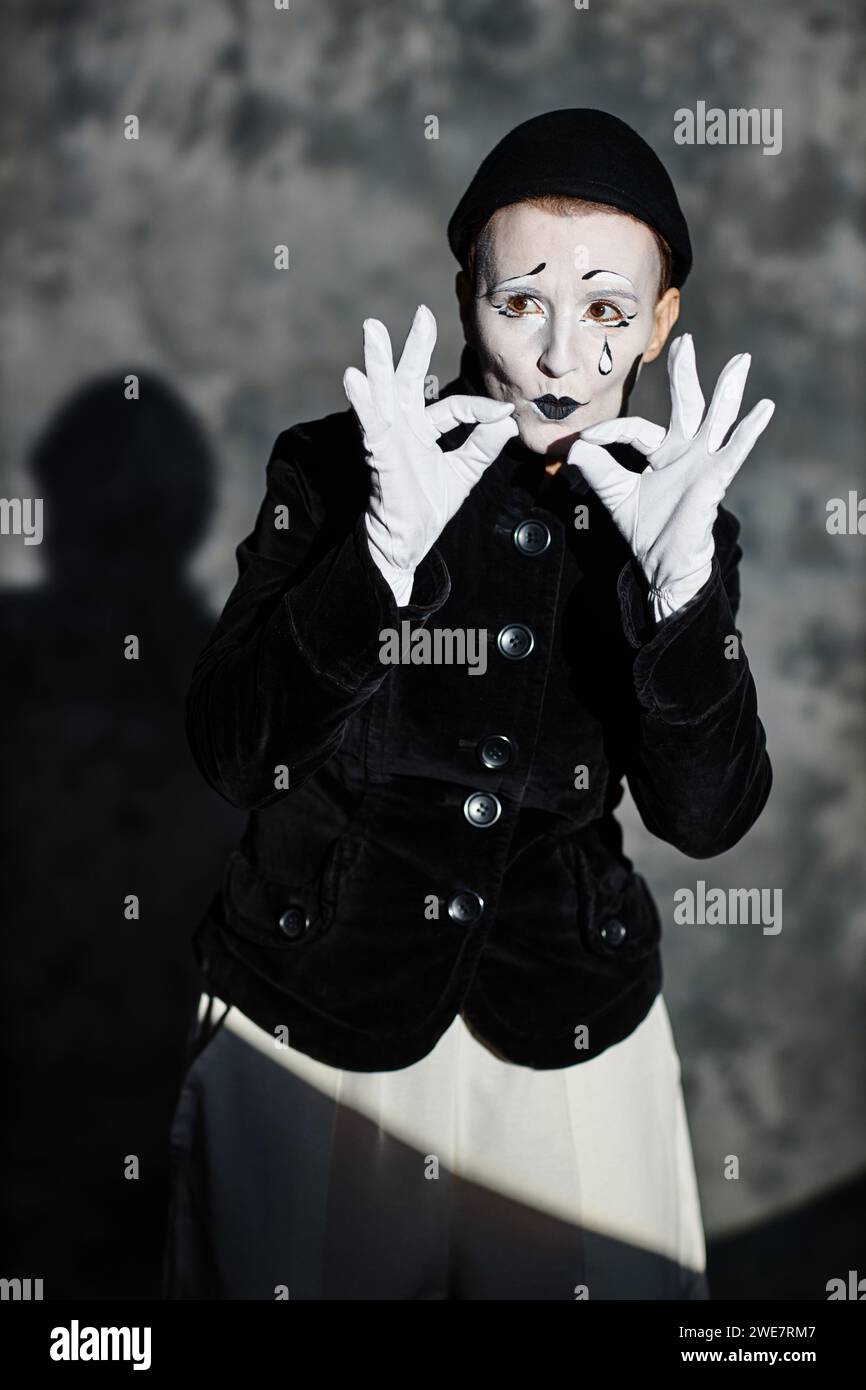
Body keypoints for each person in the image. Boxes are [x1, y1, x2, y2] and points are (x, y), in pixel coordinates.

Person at [163, 108, 774, 1300]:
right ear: (464, 299)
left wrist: (683, 593)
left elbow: (705, 817)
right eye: (519, 304)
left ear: (658, 320)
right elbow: (233, 754)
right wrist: (377, 558)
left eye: (604, 310)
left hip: (564, 1018)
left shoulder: (676, 512)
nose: (557, 357)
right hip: (312, 1010)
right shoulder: (333, 470)